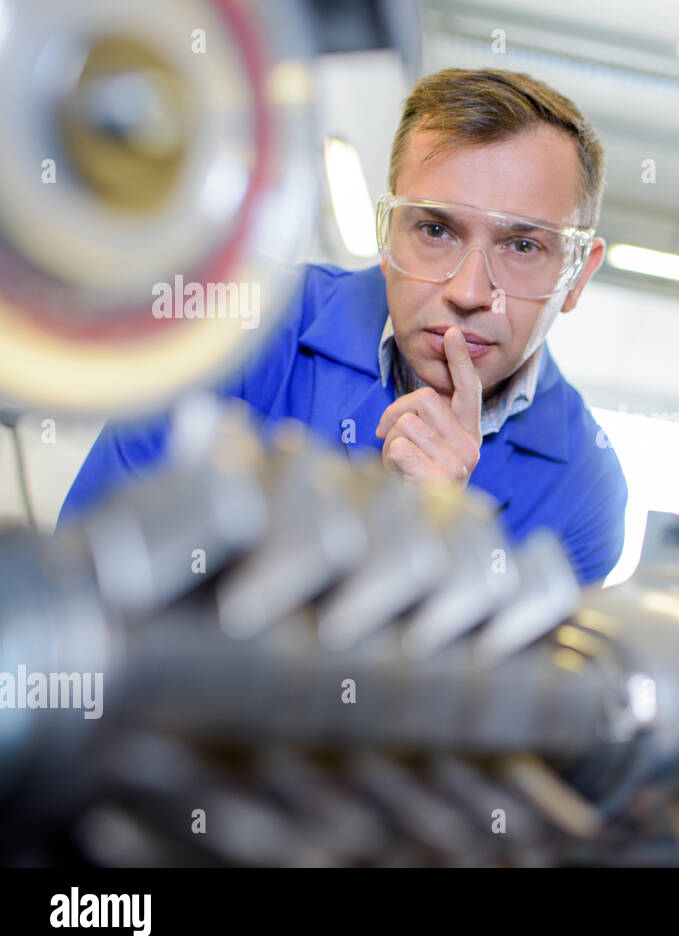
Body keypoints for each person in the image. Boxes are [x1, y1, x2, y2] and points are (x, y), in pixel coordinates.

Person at [58, 68, 627, 586]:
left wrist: (435, 533)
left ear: (578, 277)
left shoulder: (584, 490)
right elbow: (75, 583)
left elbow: (497, 696)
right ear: (387, 234)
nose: (469, 292)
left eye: (523, 245)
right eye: (434, 230)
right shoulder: (236, 328)